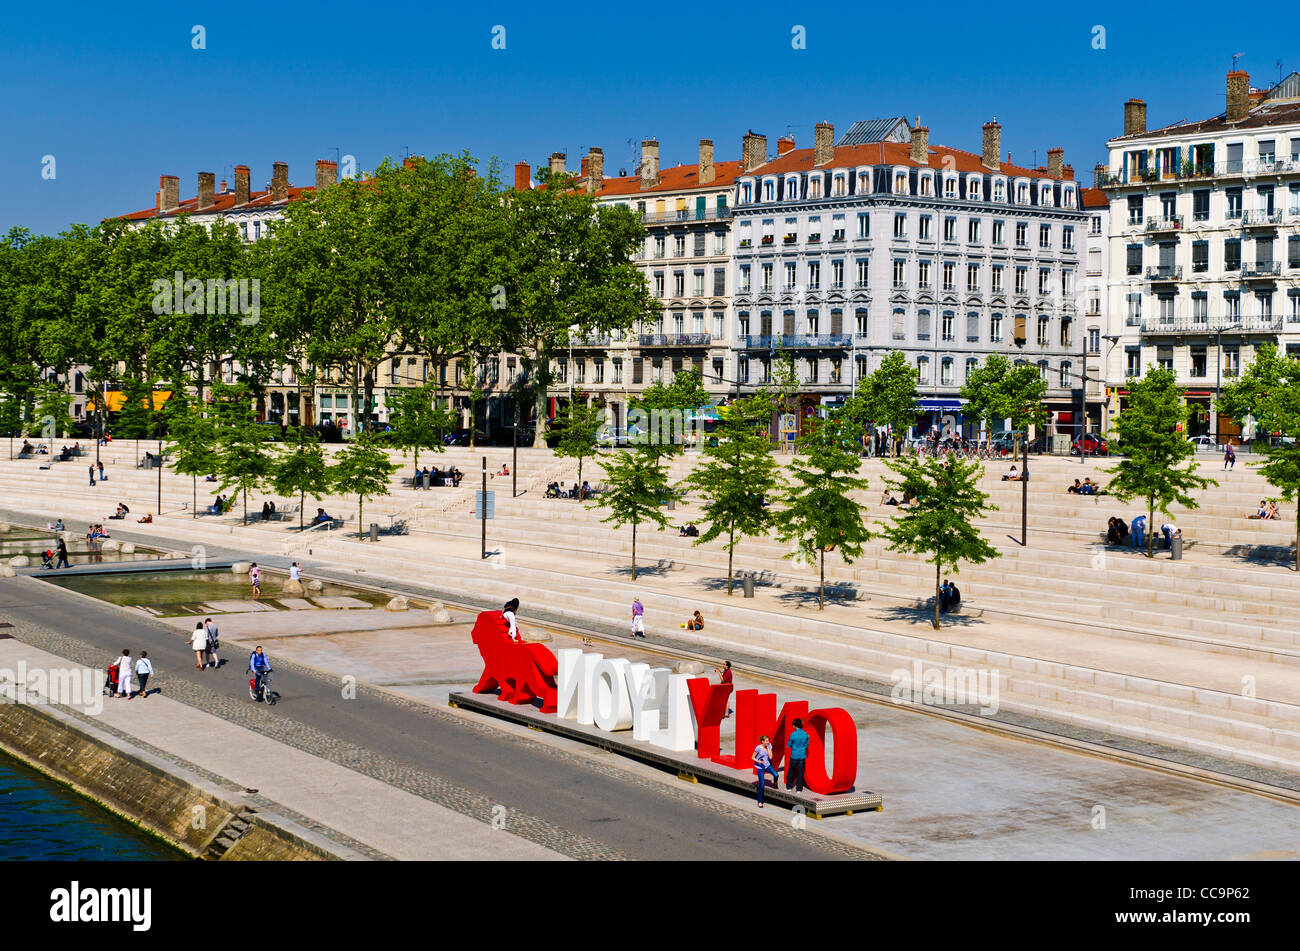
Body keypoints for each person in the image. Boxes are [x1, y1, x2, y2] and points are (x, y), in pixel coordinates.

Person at [752, 735, 781, 808]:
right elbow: (752, 757)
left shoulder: (769, 746)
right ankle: (760, 802)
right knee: (761, 785)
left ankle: (775, 782)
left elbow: (770, 757)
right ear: (762, 741)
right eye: (766, 741)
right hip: (760, 767)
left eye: (768, 740)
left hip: (767, 765)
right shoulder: (758, 748)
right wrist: (759, 761)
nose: (768, 742)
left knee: (776, 775)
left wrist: (768, 748)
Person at [785, 718, 810, 793]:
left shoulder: (793, 734)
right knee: (800, 773)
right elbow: (806, 746)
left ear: (795, 726)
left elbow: (788, 745)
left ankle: (789, 787)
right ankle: (799, 789)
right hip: (802, 756)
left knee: (791, 772)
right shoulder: (805, 734)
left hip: (794, 756)